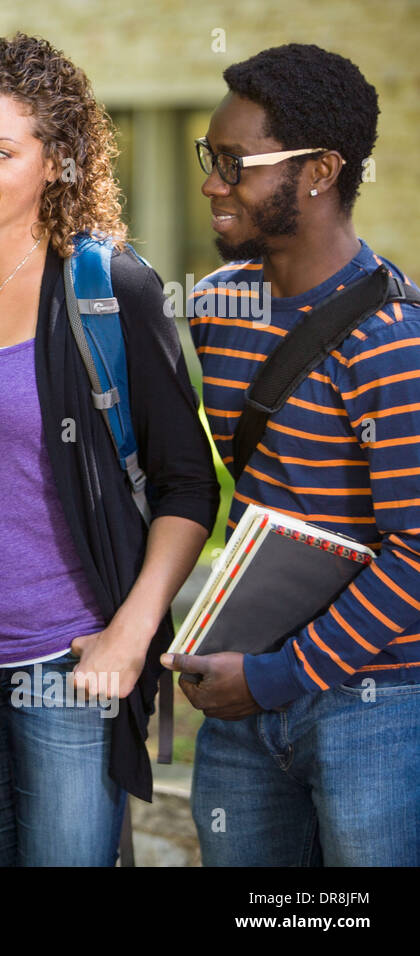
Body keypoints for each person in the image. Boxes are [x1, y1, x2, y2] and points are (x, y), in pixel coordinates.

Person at [0, 34, 219, 866]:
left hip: (71, 659)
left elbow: (186, 484)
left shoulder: (106, 287)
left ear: (57, 160)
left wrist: (130, 635)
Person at [163, 44, 420, 866]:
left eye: (234, 164)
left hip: (374, 707)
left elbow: (416, 552)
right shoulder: (216, 309)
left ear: (319, 173)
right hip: (242, 695)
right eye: (210, 159)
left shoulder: (395, 343)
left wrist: (277, 677)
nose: (211, 183)